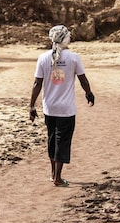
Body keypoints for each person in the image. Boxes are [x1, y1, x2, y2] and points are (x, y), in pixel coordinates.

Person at [29, 25, 94, 187]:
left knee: (51, 140)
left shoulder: (43, 58)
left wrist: (31, 106)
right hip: (66, 109)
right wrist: (89, 93)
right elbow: (83, 79)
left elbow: (37, 83)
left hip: (49, 108)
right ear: (65, 39)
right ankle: (58, 178)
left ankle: (53, 174)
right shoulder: (73, 57)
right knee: (62, 142)